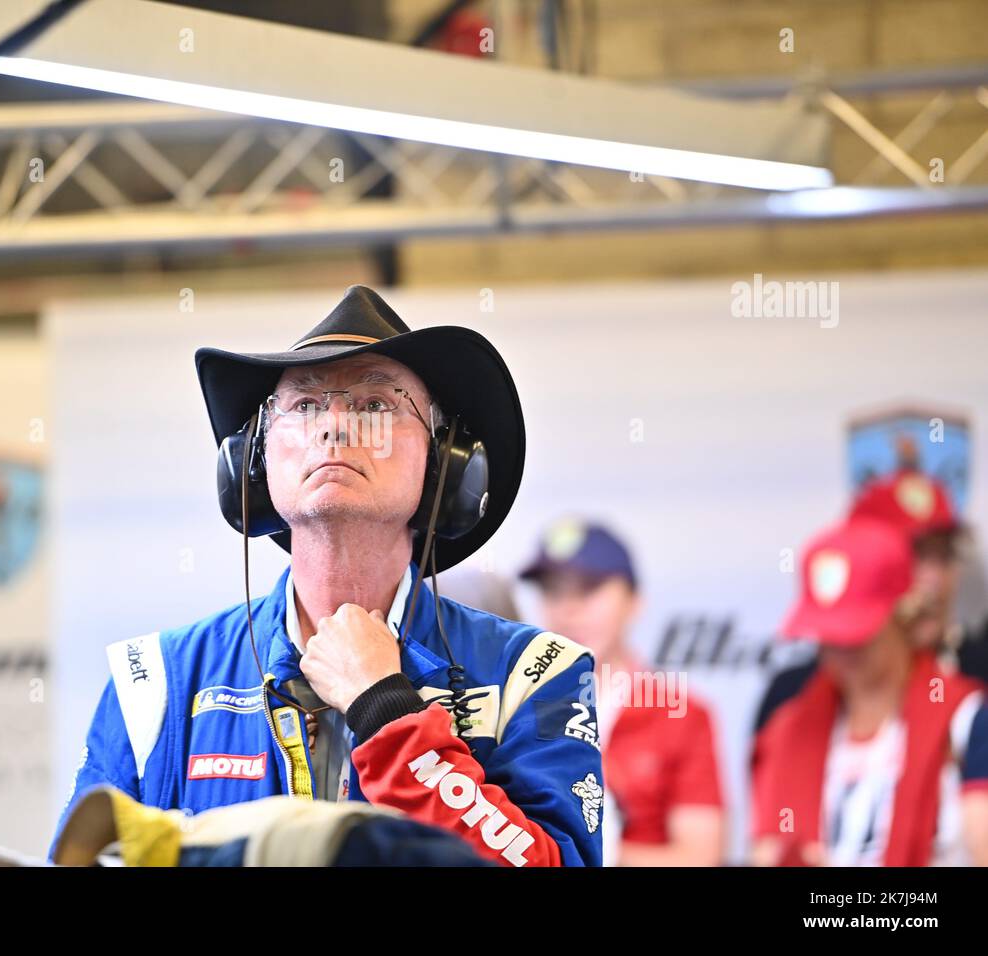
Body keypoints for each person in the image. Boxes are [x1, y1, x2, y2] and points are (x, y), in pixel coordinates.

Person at [52, 285, 604, 867]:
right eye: (306, 405)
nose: (336, 428)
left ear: (445, 459)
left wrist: (386, 710)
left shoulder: (536, 675)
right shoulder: (153, 686)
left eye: (375, 405)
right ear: (254, 459)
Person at [750, 515, 988, 866]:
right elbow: (766, 851)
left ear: (903, 613)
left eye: (857, 632)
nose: (842, 649)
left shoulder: (968, 718)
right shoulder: (789, 726)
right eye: (828, 633)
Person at [520, 518, 725, 866]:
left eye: (588, 589)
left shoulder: (682, 714)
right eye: (554, 591)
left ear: (634, 602)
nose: (569, 608)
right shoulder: (518, 708)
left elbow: (700, 858)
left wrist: (602, 854)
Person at [755, 470, 985, 737]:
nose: (933, 579)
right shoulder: (792, 696)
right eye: (912, 554)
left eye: (944, 556)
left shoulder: (980, 675)